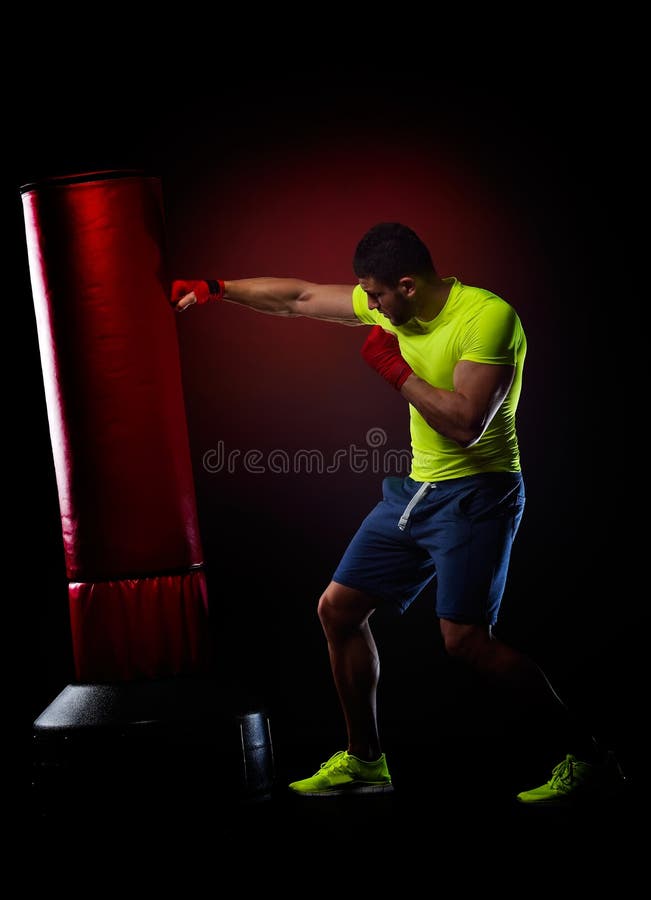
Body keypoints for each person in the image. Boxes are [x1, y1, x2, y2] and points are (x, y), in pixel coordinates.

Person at [171, 222, 624, 806]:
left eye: (378, 295)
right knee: (337, 610)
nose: (372, 307)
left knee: (466, 642)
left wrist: (397, 371)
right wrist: (216, 288)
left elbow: (465, 424)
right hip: (417, 491)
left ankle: (590, 757)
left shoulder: (487, 318)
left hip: (479, 494)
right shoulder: (391, 304)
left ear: (407, 285)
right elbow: (301, 298)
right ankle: (365, 761)